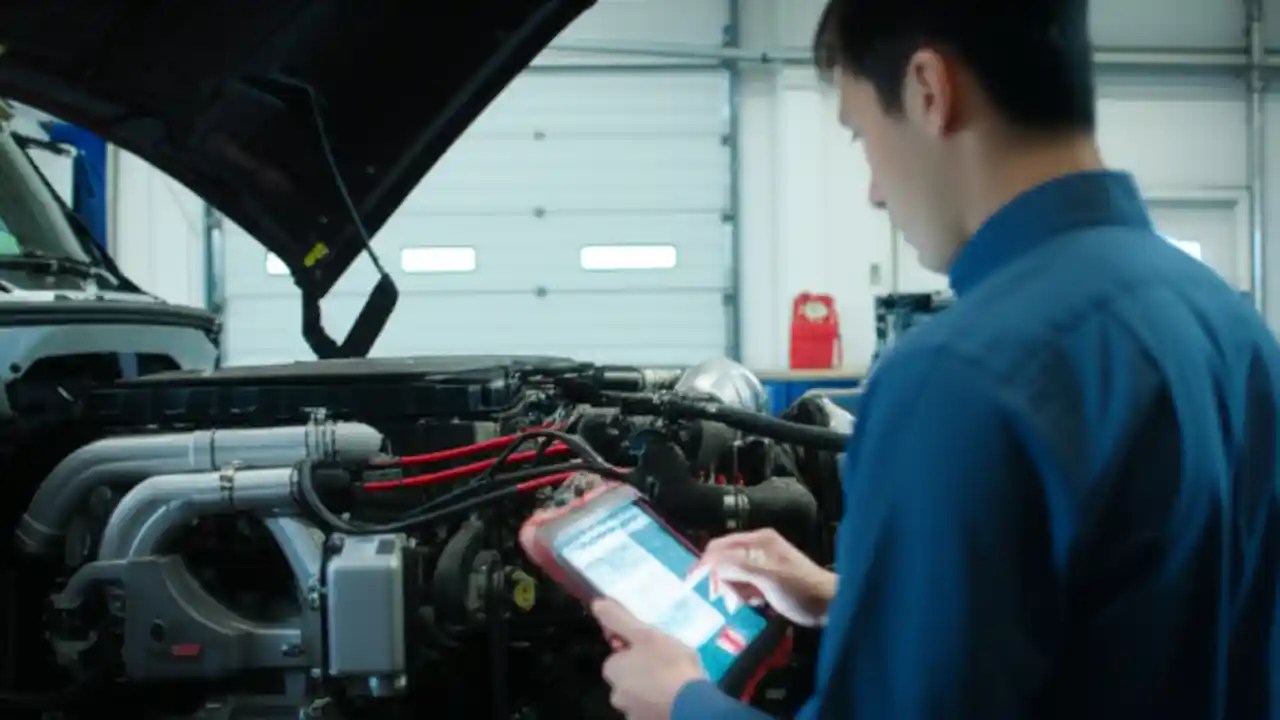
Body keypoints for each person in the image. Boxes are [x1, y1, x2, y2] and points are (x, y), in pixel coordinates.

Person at [589, 0, 1280, 718]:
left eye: (863, 137)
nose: (875, 190)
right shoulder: (1229, 326)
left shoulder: (959, 377)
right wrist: (854, 600)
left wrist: (681, 702)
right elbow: (1131, 619)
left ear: (927, 90)